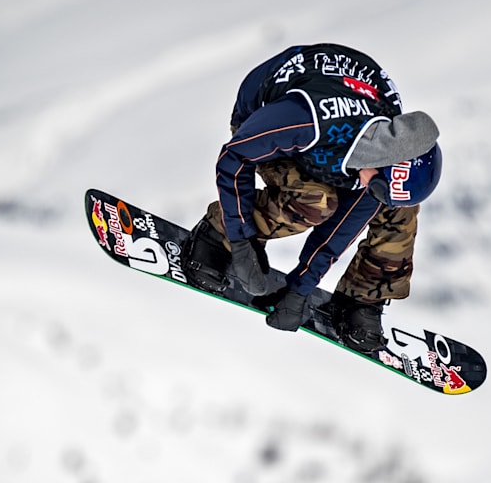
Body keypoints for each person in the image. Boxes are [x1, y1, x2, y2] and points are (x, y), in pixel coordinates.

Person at [189, 43, 442, 353]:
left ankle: (361, 298)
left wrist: (301, 287)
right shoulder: (305, 120)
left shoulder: (384, 151)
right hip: (263, 123)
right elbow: (235, 157)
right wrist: (241, 241)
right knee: (315, 201)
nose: (374, 194)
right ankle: (217, 237)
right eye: (378, 187)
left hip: (337, 150)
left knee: (401, 211)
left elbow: (343, 226)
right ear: (378, 159)